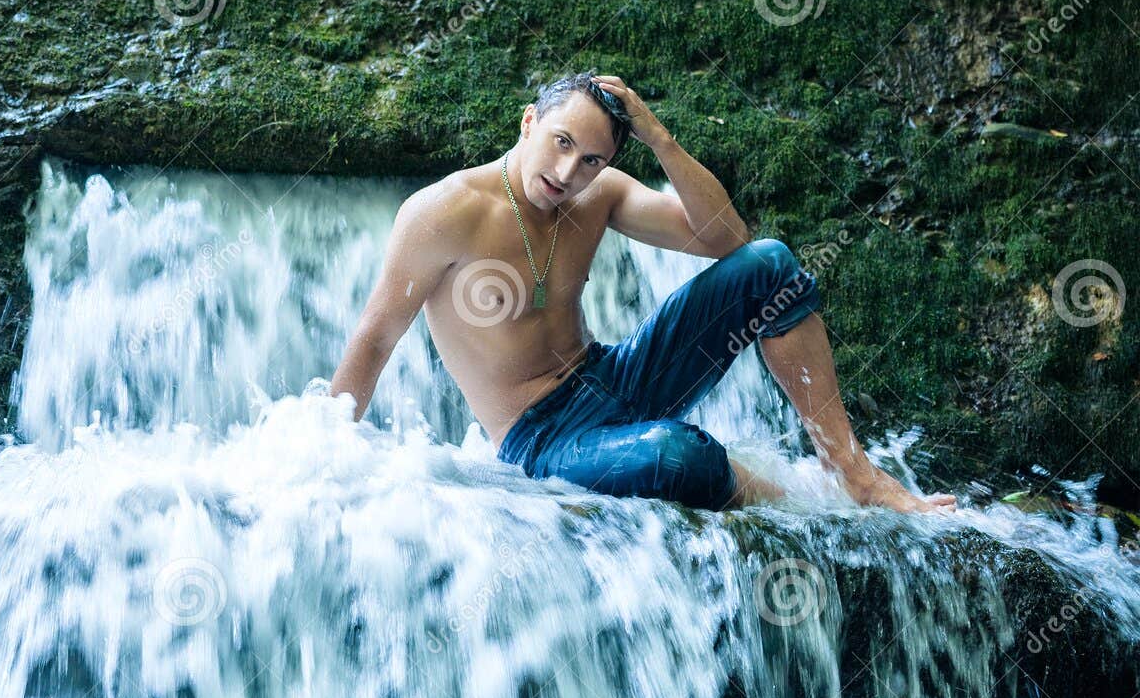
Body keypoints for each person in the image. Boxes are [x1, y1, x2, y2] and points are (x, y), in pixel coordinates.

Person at [327, 72, 957, 514]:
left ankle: (851, 472)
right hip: (542, 440)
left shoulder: (596, 193)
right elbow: (376, 336)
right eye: (562, 143)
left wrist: (660, 138)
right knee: (675, 456)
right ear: (529, 122)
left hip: (618, 378)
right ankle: (793, 503)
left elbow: (724, 239)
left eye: (592, 160)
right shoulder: (444, 211)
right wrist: (328, 460)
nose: (568, 173)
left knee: (769, 265)